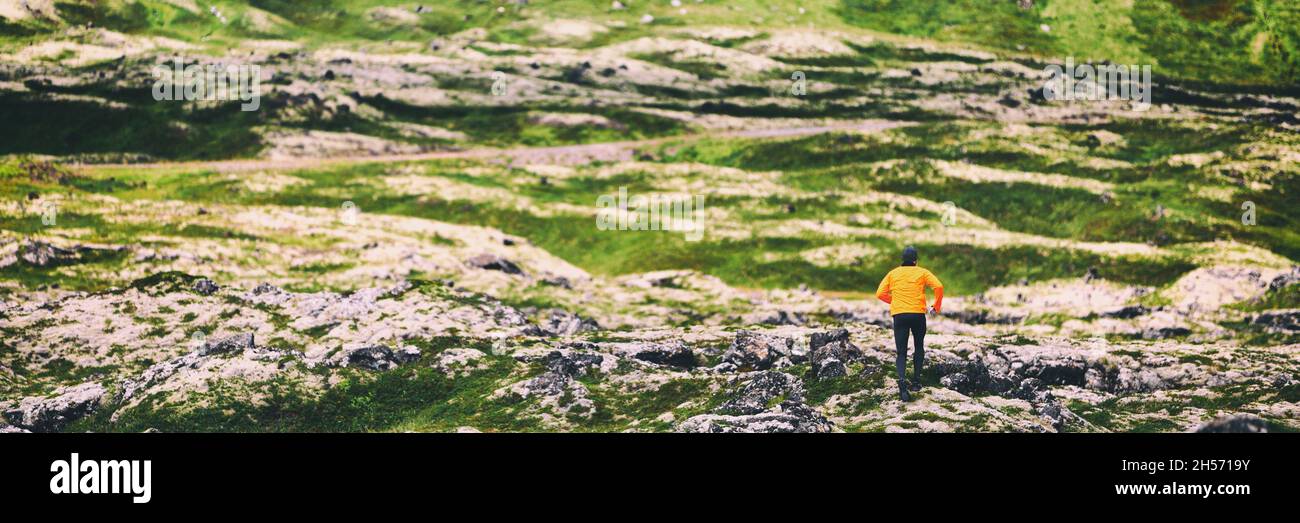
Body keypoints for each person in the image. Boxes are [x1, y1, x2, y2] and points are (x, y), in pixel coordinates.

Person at [875, 246, 943, 402]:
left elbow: (880, 293)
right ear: (915, 261)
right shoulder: (922, 272)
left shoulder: (893, 273)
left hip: (899, 314)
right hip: (918, 314)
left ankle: (901, 380)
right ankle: (917, 382)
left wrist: (896, 301)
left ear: (902, 260)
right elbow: (938, 286)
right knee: (918, 346)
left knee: (901, 352)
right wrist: (935, 307)